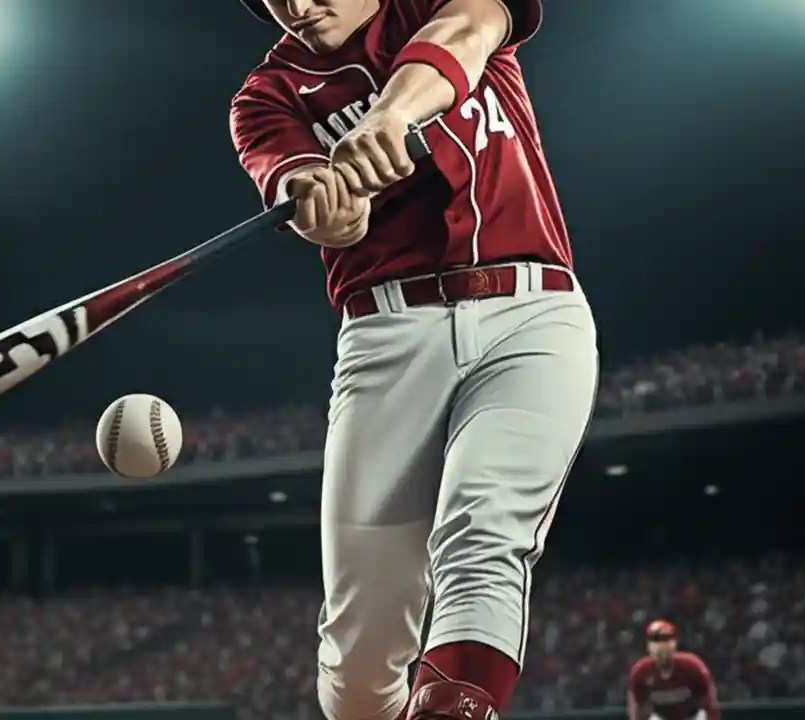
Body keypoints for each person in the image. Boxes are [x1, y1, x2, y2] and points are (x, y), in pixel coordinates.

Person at [228, 2, 598, 719]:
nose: (298, 6)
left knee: (483, 531)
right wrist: (330, 201)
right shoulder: (265, 96)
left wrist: (389, 116)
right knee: (360, 657)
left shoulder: (432, 5)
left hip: (531, 315)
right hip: (386, 340)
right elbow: (317, 203)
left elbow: (464, 34)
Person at [627, 620, 721, 720]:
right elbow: (639, 708)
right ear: (648, 646)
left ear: (674, 643)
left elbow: (710, 702)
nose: (661, 646)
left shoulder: (692, 666)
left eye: (665, 639)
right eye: (656, 640)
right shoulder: (641, 672)